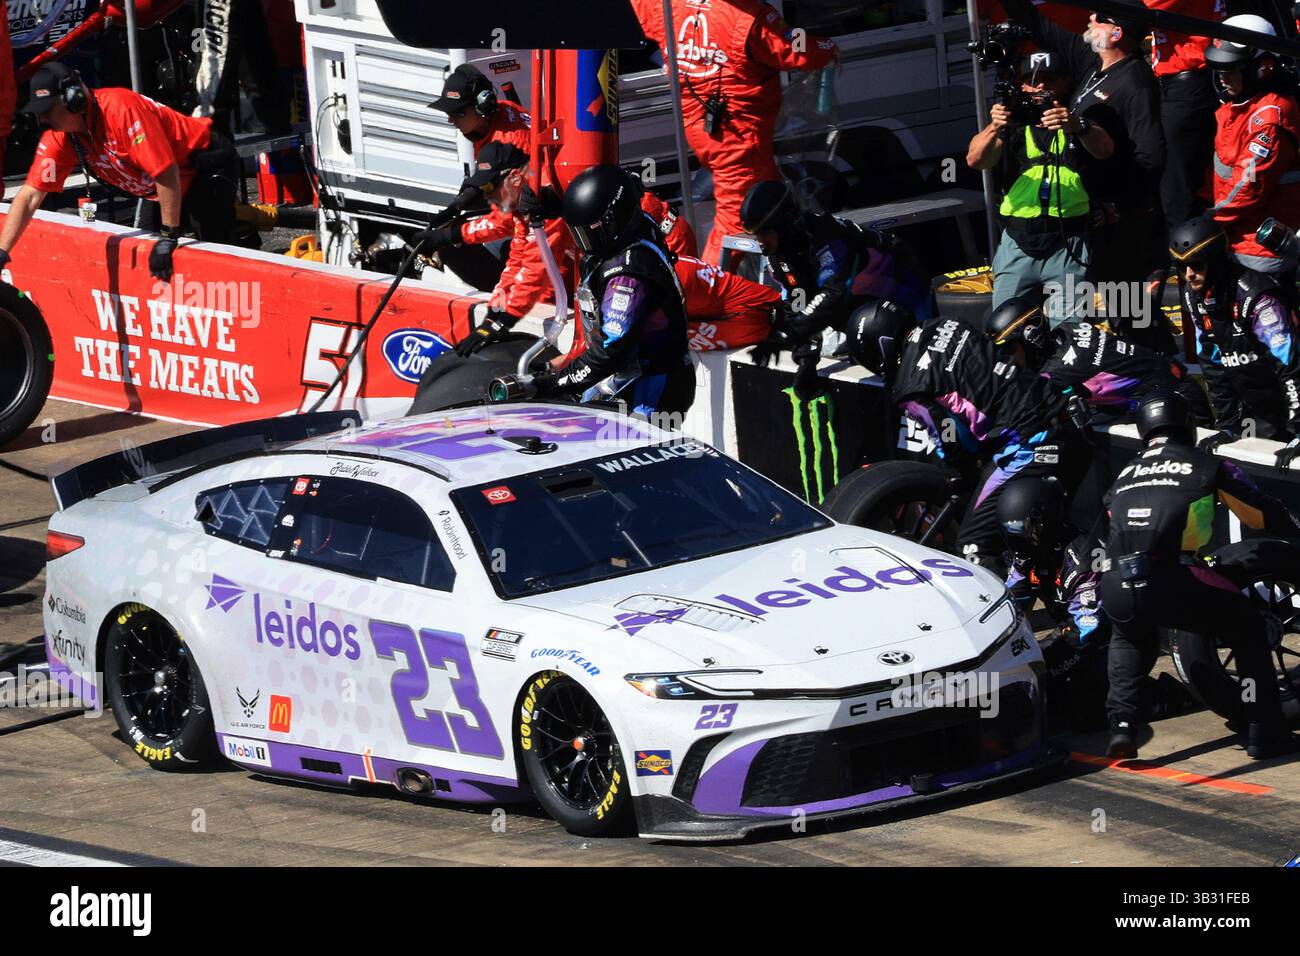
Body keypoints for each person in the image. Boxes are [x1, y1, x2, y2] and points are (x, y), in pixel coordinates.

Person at [1099, 390, 1300, 759]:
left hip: (1114, 581)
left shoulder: (1125, 474)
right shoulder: (1205, 463)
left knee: (1128, 638)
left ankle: (1122, 728)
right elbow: (1260, 509)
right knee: (1249, 627)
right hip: (1170, 575)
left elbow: (1110, 520)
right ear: (1189, 426)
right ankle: (1264, 730)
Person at [847, 303, 1093, 573]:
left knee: (973, 545)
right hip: (1059, 412)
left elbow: (946, 433)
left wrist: (957, 469)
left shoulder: (910, 385)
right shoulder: (947, 322)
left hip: (1028, 439)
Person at [630, 0, 837, 267]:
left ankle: (790, 283)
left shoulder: (667, 5)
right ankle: (710, 295)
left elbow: (633, 9)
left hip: (704, 129)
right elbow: (795, 50)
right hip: (736, 137)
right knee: (736, 220)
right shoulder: (751, 17)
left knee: (776, 208)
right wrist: (828, 47)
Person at [0, 63, 237, 283]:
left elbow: (165, 172)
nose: (43, 119)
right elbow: (31, 195)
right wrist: (2, 252)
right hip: (164, 186)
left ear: (75, 99)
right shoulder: (60, 137)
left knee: (212, 256)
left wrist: (168, 235)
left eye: (48, 110)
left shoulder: (122, 110)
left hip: (202, 164)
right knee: (147, 260)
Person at [1003, 0, 1167, 317]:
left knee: (1130, 314)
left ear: (1117, 33)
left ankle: (1155, 364)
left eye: (1100, 17)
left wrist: (1120, 207)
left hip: (1122, 223)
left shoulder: (1136, 82)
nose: (1090, 17)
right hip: (1091, 218)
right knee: (1106, 314)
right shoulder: (1092, 63)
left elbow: (1152, 158)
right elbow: (1034, 21)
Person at [998, 476, 1194, 731]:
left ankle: (1171, 695)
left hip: (1119, 639)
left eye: (1026, 534)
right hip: (1083, 640)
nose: (1019, 546)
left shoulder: (1082, 560)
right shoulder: (1027, 555)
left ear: (1046, 523)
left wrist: (1036, 660)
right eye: (1013, 538)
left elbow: (1087, 630)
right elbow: (1010, 607)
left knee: (1084, 711)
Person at [527, 164, 694, 419]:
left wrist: (557, 383)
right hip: (631, 376)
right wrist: (556, 205)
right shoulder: (639, 219)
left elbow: (609, 352)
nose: (585, 244)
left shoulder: (627, 277)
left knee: (629, 454)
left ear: (613, 221)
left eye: (590, 233)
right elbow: (624, 189)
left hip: (652, 388)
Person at [739, 179, 932, 374]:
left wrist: (786, 335)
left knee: (920, 364)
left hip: (906, 294)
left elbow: (834, 293)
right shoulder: (779, 259)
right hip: (866, 314)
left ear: (783, 223)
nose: (760, 242)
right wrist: (806, 362)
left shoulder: (828, 234)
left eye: (763, 232)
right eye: (753, 233)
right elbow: (799, 305)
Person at [967, 50, 1091, 317]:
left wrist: (1076, 125)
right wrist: (996, 126)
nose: (1041, 86)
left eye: (1049, 79)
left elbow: (1105, 150)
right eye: (1034, 81)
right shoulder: (1014, 122)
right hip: (1017, 242)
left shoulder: (1078, 114)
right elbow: (975, 160)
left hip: (1066, 243)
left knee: (1072, 330)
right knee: (1005, 326)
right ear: (1022, 86)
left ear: (1065, 83)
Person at [1168, 216, 1300, 459]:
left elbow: (1290, 364)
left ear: (1216, 261)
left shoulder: (1259, 299)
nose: (1189, 275)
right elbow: (1212, 364)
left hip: (1287, 395)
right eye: (1181, 266)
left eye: (1197, 265)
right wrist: (1228, 425)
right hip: (1255, 401)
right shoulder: (1193, 297)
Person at [1204, 14, 1300, 281]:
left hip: (1261, 250)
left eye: (1231, 69)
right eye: (1219, 69)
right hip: (1235, 236)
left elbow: (1249, 184)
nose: (1222, 77)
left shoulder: (1270, 117)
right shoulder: (1237, 105)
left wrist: (1210, 219)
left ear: (1263, 67)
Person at [986, 292, 1186, 419]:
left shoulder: (1058, 373)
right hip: (1169, 375)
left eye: (1010, 349)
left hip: (1170, 402)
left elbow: (1026, 408)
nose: (1008, 358)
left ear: (1031, 337)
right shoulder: (1068, 328)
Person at [1143, 0, 1224, 228]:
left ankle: (1184, 258)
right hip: (1188, 82)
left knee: (1178, 182)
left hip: (1189, 84)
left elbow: (1136, 8)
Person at [676, 253, 780, 351]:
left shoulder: (678, 277)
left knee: (670, 338)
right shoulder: (673, 264)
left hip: (754, 315)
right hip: (758, 305)